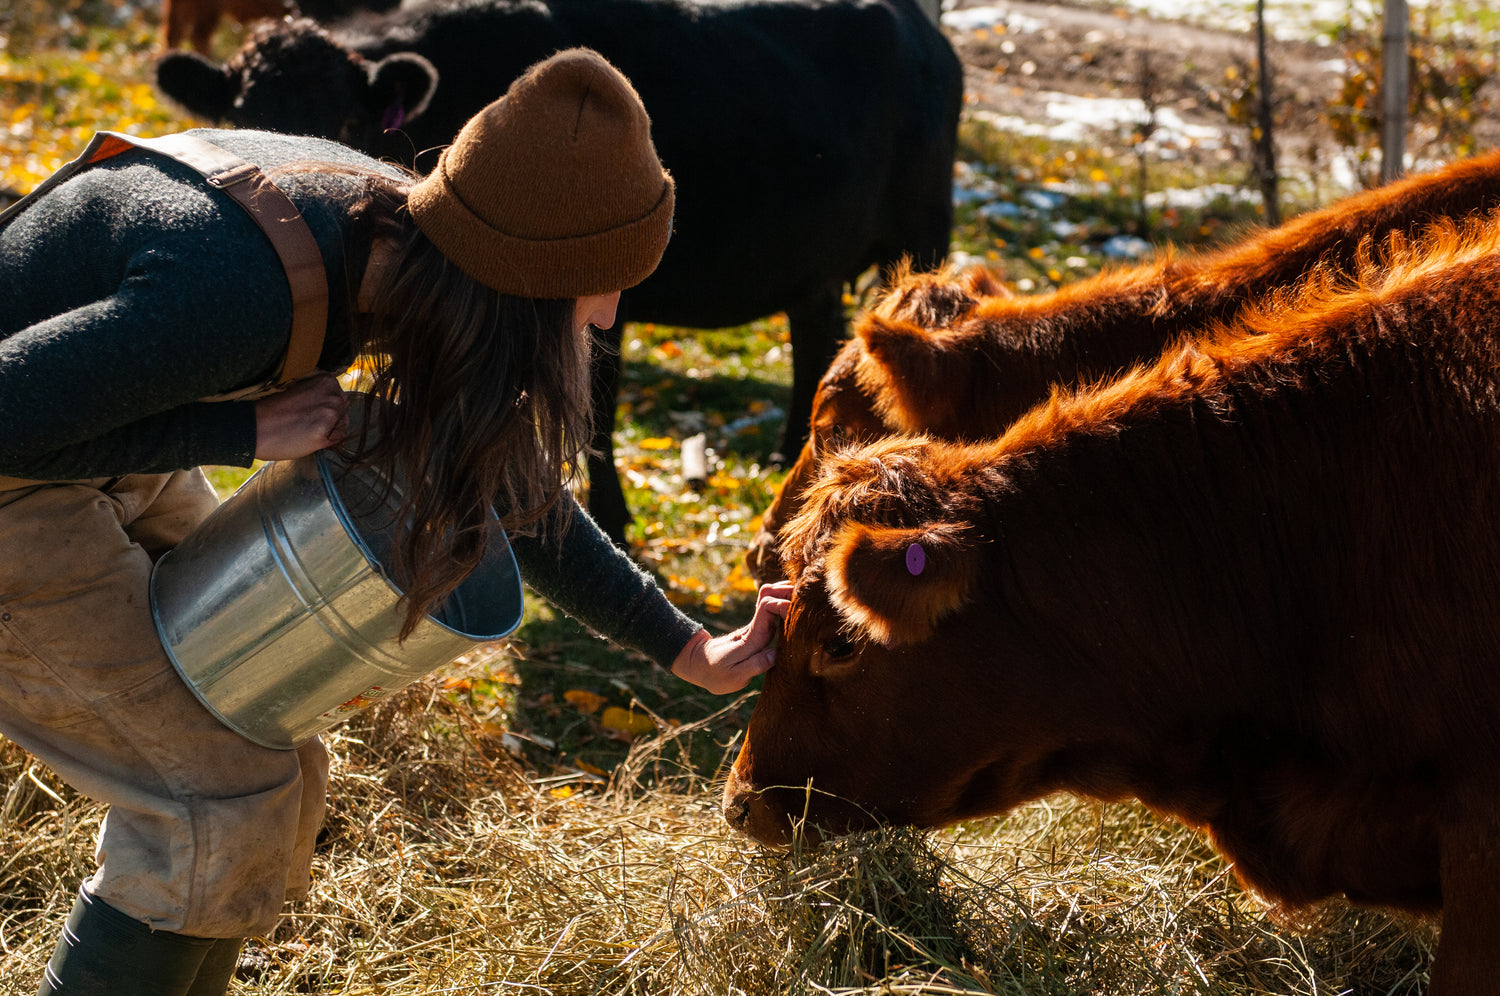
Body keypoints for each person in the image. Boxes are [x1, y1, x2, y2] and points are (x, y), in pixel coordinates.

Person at [0, 48, 792, 995]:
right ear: (522, 280)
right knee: (216, 800)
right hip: (22, 461)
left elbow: (503, 477)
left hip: (106, 438)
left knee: (277, 753)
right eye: (597, 284)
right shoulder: (237, 285)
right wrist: (242, 428)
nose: (612, 317)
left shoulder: (421, 238)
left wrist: (681, 646)